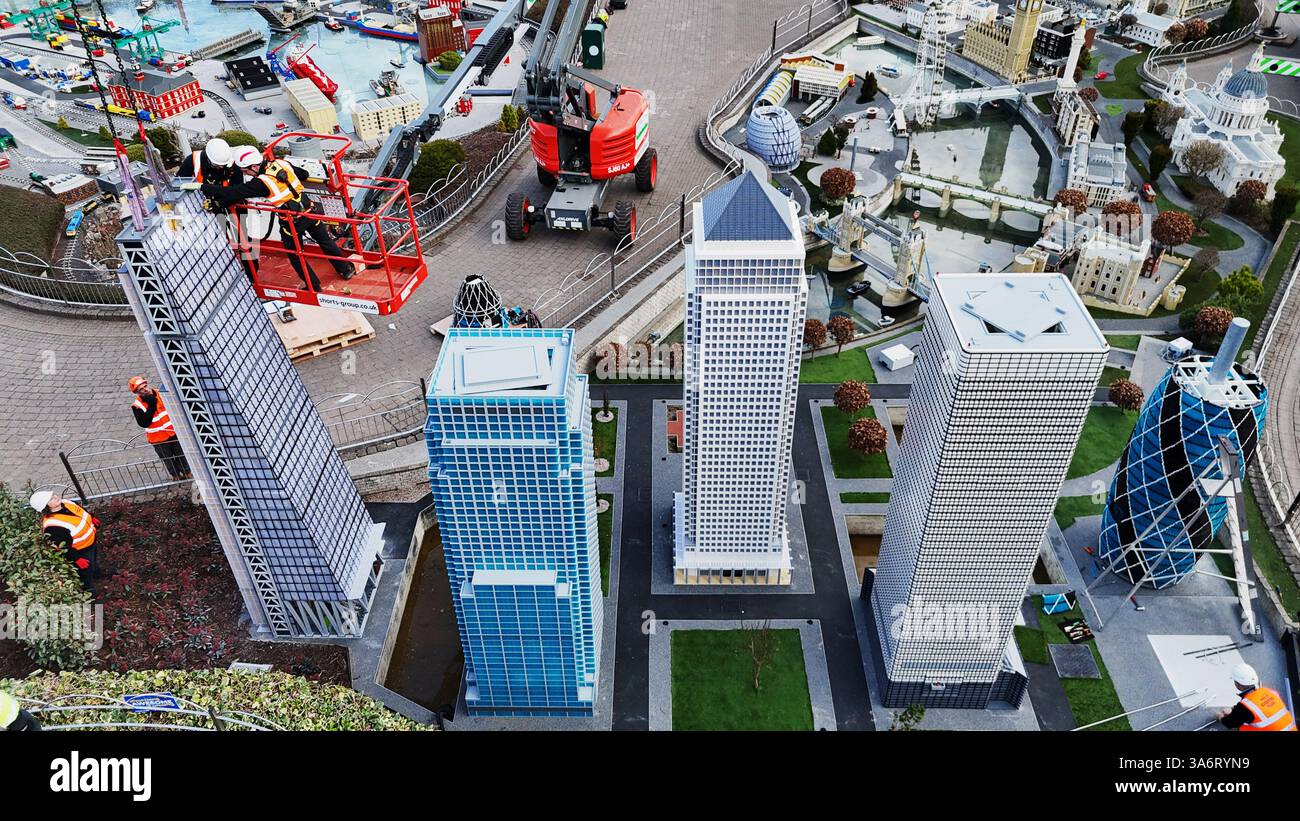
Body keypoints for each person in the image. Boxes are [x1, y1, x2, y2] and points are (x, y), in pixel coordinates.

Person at [203, 146, 364, 293]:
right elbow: (303, 174)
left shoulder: (261, 183)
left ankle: (313, 285)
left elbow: (234, 192)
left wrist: (202, 187)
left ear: (254, 167)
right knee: (326, 242)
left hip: (292, 221)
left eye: (246, 171)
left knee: (295, 254)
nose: (246, 174)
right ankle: (345, 270)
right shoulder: (281, 163)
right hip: (308, 208)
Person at [29, 491, 98, 594]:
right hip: (82, 551)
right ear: (45, 507)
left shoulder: (67, 502)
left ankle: (97, 573)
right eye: (51, 499)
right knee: (85, 573)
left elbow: (81, 512)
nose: (56, 497)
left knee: (94, 562)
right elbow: (62, 547)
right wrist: (76, 559)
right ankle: (90, 592)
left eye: (54, 495)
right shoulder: (53, 526)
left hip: (91, 542)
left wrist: (91, 517)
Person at [128, 374, 190, 481]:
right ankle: (175, 475)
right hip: (157, 437)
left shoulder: (161, 394)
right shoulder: (137, 405)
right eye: (141, 389)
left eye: (144, 386)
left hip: (172, 431)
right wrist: (151, 407)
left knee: (180, 453)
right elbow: (144, 423)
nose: (145, 390)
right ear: (137, 392)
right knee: (167, 458)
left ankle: (187, 472)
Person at [1216, 663, 1296, 731]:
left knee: (1242, 726)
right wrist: (1233, 710)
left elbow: (1230, 723)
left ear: (1238, 684)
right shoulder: (1270, 692)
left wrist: (1221, 718)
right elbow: (1259, 708)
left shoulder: (1246, 707)